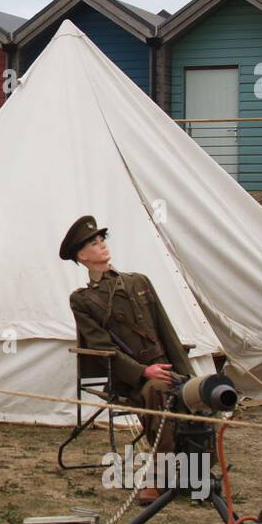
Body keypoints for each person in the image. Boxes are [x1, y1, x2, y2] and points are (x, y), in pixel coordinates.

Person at [59, 215, 192, 505]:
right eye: (93, 243)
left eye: (102, 239)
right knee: (158, 391)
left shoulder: (138, 281)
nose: (102, 245)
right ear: (82, 256)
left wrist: (188, 373)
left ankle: (200, 471)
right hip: (131, 378)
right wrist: (144, 371)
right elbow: (100, 345)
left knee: (203, 393)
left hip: (164, 365)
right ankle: (158, 478)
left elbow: (165, 331)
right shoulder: (82, 299)